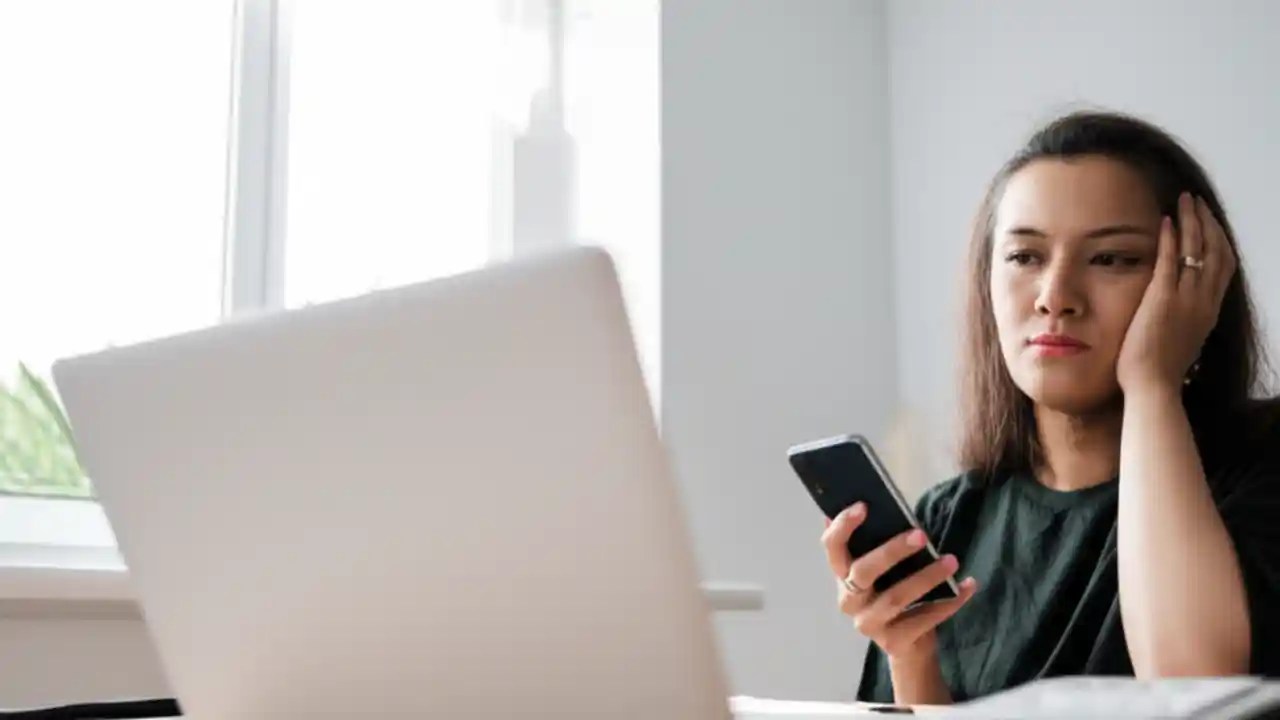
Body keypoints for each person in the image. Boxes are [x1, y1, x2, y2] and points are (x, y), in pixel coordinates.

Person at [820, 110, 1280, 705]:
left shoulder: (1263, 467)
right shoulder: (947, 521)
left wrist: (1152, 384)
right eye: (1025, 257)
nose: (1055, 297)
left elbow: (1194, 692)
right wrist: (911, 657)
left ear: (1197, 277)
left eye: (1111, 259)